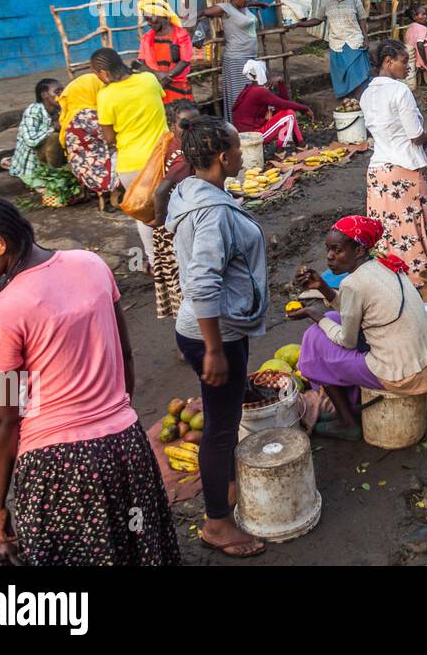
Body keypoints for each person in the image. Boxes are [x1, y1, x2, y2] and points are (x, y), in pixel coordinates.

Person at [0, 191, 178, 565]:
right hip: (127, 445)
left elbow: (2, 418)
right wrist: (110, 416)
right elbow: (125, 353)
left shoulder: (0, 314)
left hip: (59, 468)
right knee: (136, 549)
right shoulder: (91, 264)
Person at [166, 117, 268, 558]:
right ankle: (217, 524)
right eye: (238, 146)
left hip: (216, 325)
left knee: (223, 413)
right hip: (215, 331)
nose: (244, 152)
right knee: (221, 425)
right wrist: (213, 349)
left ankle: (225, 483)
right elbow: (204, 282)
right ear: (223, 158)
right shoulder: (212, 213)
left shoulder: (187, 191)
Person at [289, 216, 427, 439]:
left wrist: (315, 315)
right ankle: (348, 405)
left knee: (314, 340)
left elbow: (348, 341)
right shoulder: (384, 263)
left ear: (360, 250)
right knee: (333, 316)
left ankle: (347, 421)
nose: (329, 256)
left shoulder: (353, 284)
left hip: (403, 375)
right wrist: (323, 288)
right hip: (425, 361)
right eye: (328, 249)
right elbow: (353, 311)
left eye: (337, 250)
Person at [361, 40, 427, 284]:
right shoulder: (399, 91)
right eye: (404, 61)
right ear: (388, 61)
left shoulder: (367, 93)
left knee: (386, 233)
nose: (409, 67)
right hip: (403, 170)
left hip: (378, 171)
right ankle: (419, 281)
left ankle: (388, 281)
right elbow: (415, 135)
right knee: (412, 231)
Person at [92, 47, 168, 265]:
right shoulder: (148, 80)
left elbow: (108, 138)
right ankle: (179, 255)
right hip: (162, 158)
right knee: (171, 207)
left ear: (104, 73)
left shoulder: (105, 96)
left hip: (131, 165)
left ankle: (156, 263)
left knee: (144, 215)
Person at [151, 100, 201, 320]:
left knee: (178, 287)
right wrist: (161, 222)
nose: (191, 130)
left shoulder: (170, 142)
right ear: (173, 125)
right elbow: (161, 191)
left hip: (169, 224)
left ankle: (186, 341)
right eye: (185, 125)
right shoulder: (182, 155)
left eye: (196, 125)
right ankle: (191, 339)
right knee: (187, 286)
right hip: (174, 227)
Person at [292, 0, 372, 100]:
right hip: (337, 43)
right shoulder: (327, 1)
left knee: (358, 75)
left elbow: (362, 19)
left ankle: (362, 101)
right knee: (343, 76)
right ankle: (350, 102)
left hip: (354, 41)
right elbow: (318, 19)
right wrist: (300, 23)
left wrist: (366, 38)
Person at [199, 0, 263, 123]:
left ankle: (249, 124)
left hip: (250, 57)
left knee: (250, 93)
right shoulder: (226, 8)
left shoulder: (244, 7)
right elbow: (206, 12)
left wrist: (259, 4)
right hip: (236, 59)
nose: (248, 0)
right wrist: (189, 20)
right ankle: (238, 125)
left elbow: (249, 4)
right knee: (238, 95)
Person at [57, 72, 118, 204]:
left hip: (86, 164)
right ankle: (117, 197)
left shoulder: (74, 111)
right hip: (96, 169)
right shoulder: (86, 114)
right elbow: (111, 136)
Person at [231, 59, 309, 148]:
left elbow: (283, 105)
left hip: (246, 132)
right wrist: (304, 108)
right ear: (261, 74)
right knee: (289, 115)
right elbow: (284, 103)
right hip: (252, 135)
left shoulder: (251, 88)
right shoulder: (259, 92)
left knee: (287, 112)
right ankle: (280, 150)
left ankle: (300, 143)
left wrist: (281, 83)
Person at [7, 78, 64, 192]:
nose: (62, 95)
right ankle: (54, 175)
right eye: (57, 92)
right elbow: (30, 141)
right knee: (54, 138)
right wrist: (53, 128)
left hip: (48, 154)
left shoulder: (61, 109)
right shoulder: (33, 111)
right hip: (33, 162)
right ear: (44, 95)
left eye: (62, 91)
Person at [133, 0, 193, 104]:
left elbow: (185, 61)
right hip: (155, 86)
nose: (149, 23)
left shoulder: (181, 35)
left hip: (177, 85)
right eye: (146, 19)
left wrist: (167, 77)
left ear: (164, 16)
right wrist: (158, 75)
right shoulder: (147, 38)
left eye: (151, 18)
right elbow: (141, 62)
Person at [402, 4, 427, 87]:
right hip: (422, 59)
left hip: (413, 59)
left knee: (417, 77)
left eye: (425, 14)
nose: (426, 16)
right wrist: (425, 62)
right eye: (423, 14)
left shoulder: (410, 28)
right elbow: (420, 44)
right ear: (415, 17)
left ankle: (420, 82)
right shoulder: (422, 28)